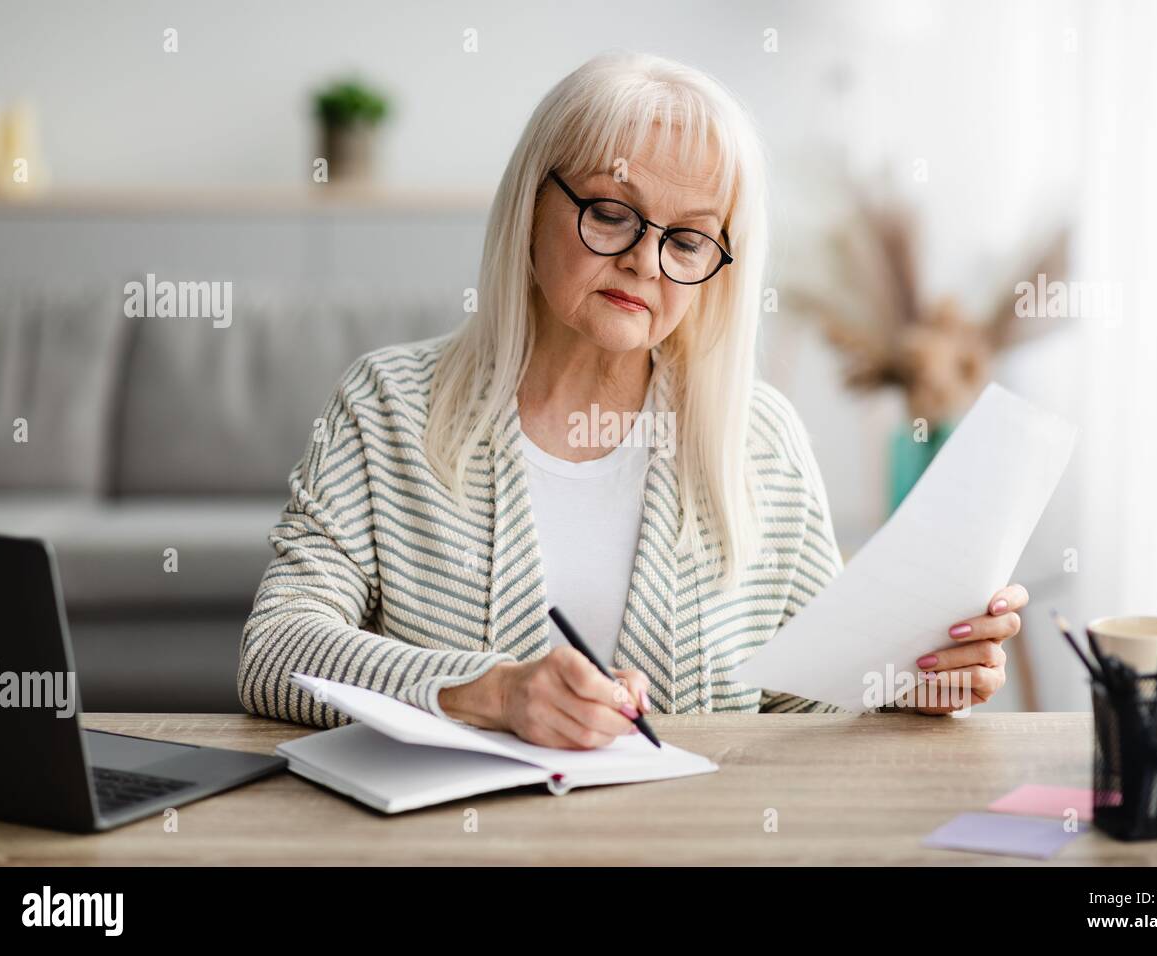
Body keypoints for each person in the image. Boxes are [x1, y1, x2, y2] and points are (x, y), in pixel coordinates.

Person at [237, 51, 1026, 749]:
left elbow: (806, 710)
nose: (646, 260)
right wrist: (492, 694)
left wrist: (904, 688)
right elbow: (276, 652)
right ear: (529, 207)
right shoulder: (388, 406)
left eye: (687, 240)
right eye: (611, 214)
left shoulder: (759, 440)